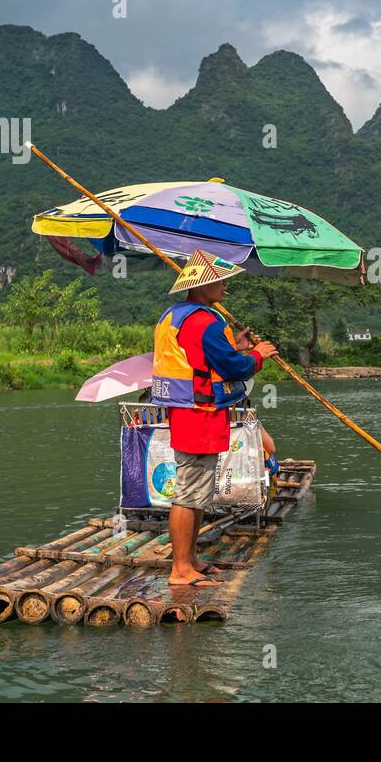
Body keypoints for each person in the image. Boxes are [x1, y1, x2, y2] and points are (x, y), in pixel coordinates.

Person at [150, 249, 278, 587]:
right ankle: (180, 571)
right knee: (189, 493)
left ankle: (190, 559)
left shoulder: (177, 315)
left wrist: (235, 344)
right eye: (220, 281)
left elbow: (202, 358)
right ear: (203, 285)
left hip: (189, 412)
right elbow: (232, 367)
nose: (225, 287)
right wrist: (257, 354)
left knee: (198, 491)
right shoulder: (206, 321)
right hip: (199, 414)